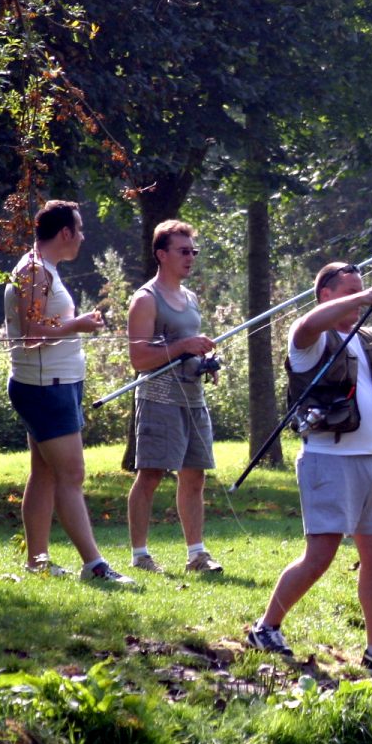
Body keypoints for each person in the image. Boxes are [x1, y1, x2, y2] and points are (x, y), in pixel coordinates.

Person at [246, 262, 372, 677]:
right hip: (327, 462)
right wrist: (364, 296)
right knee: (320, 554)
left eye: (362, 291)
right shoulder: (308, 342)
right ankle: (266, 628)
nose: (360, 300)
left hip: (368, 464)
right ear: (325, 294)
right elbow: (306, 322)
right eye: (349, 292)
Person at [4, 200, 134, 584]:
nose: (82, 236)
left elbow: (42, 326)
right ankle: (94, 565)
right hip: (46, 387)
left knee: (44, 473)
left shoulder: (42, 269)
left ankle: (37, 561)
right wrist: (77, 324)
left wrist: (75, 324)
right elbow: (32, 335)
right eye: (79, 229)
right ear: (64, 233)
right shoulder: (33, 271)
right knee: (72, 475)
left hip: (53, 384)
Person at [125, 220, 222, 574]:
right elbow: (140, 360)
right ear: (162, 254)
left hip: (193, 399)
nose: (191, 258)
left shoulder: (191, 299)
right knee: (150, 475)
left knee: (195, 476)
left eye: (193, 251)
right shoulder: (145, 299)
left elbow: (185, 350)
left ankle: (197, 554)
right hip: (159, 399)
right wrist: (183, 346)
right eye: (184, 251)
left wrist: (204, 362)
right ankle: (140, 556)